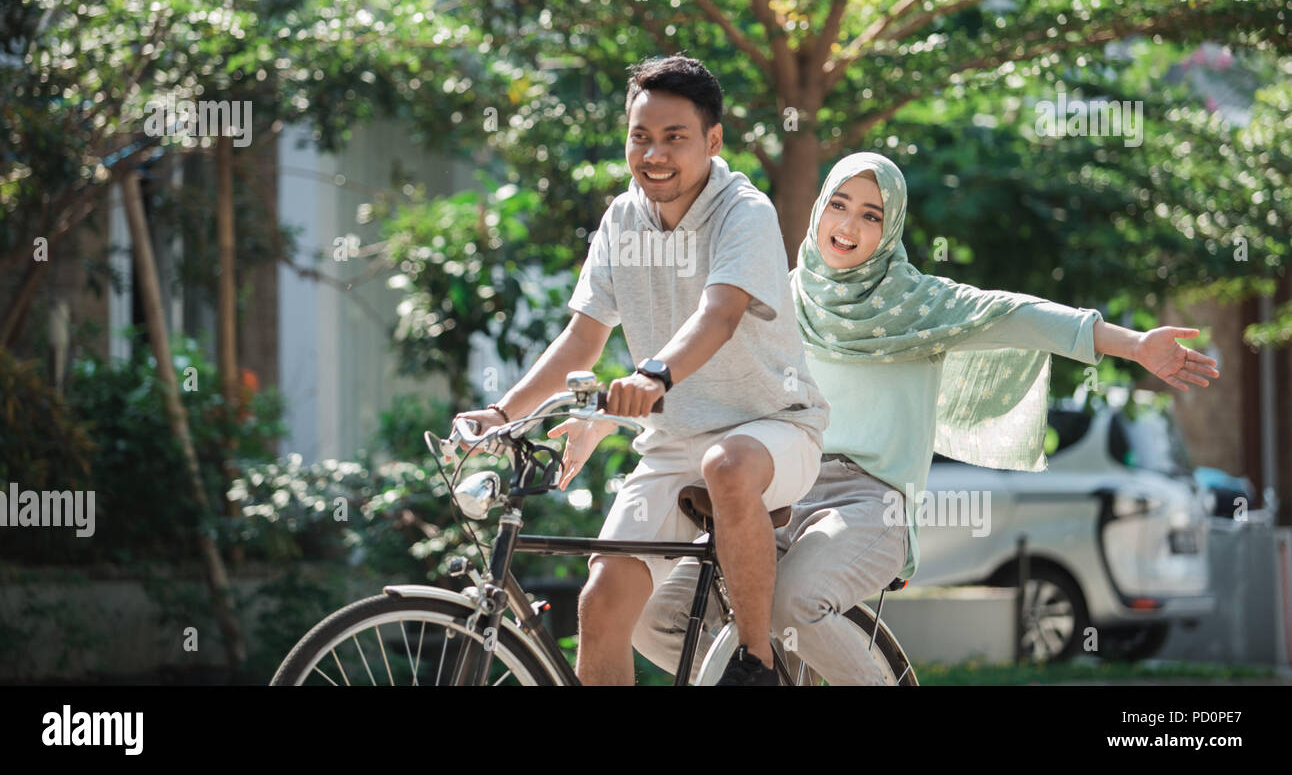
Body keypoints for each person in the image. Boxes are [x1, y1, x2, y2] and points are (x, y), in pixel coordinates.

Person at [632, 150, 1220, 684]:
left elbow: (1020, 314)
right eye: (839, 205)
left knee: (793, 604)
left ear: (890, 230)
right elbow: (707, 373)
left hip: (870, 504)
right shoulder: (778, 301)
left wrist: (1135, 344)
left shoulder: (920, 304)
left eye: (871, 215)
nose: (849, 226)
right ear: (816, 212)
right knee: (654, 618)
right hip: (775, 497)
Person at [451, 55, 830, 685]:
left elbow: (720, 314)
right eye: (640, 136)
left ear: (712, 140)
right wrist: (501, 413)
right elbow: (582, 340)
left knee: (727, 464)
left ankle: (757, 666)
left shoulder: (744, 211)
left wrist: (653, 376)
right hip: (675, 444)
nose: (654, 154)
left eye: (674, 138)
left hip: (776, 429)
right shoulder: (621, 220)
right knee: (600, 605)